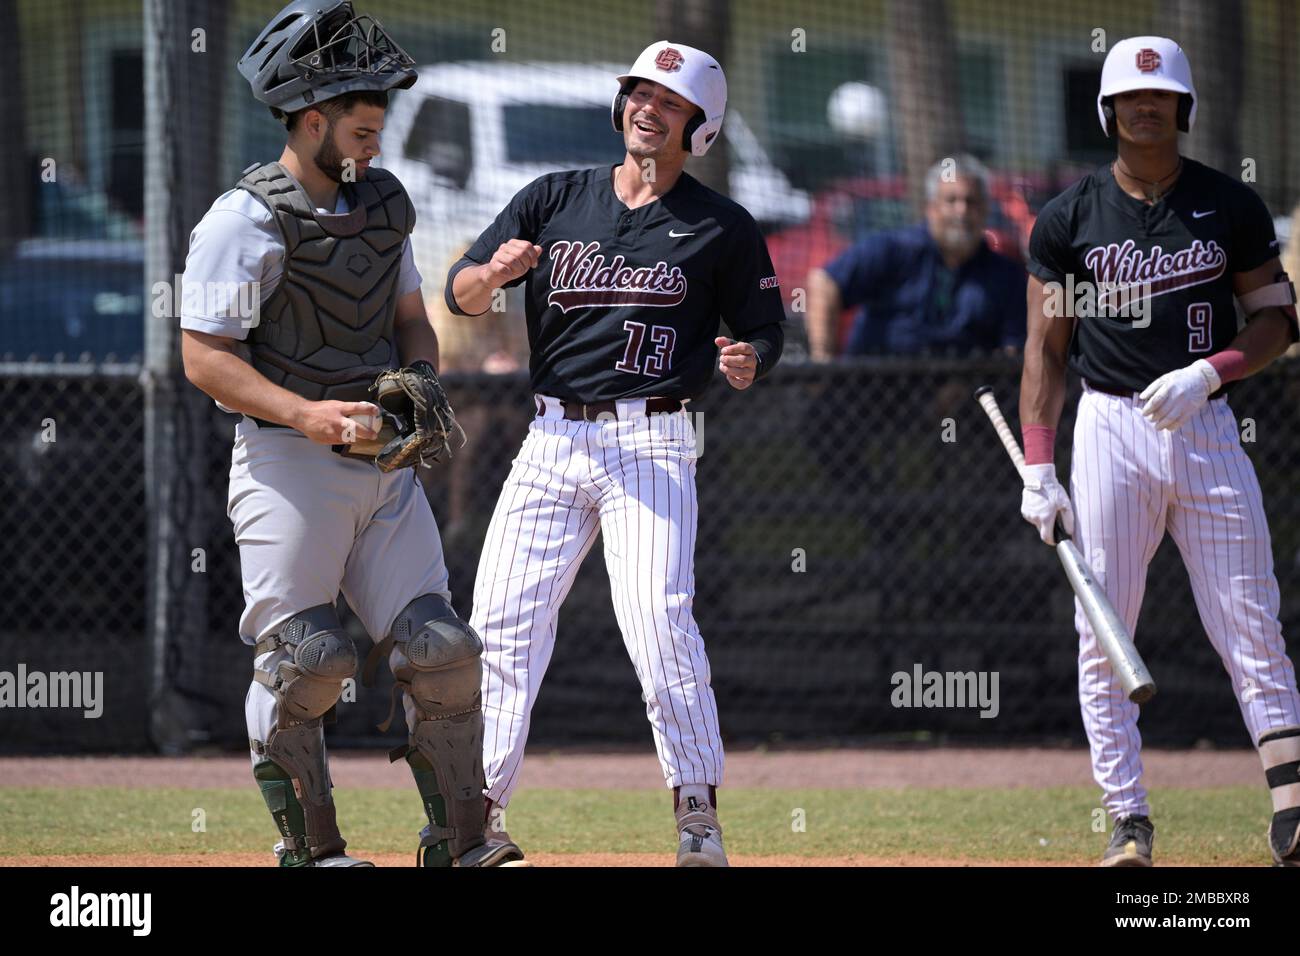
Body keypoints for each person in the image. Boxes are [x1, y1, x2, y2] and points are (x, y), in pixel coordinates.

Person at [179, 0, 524, 867]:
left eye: (378, 128)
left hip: (385, 466)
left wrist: (420, 383)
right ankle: (314, 850)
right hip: (288, 465)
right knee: (310, 664)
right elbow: (202, 356)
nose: (374, 145)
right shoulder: (243, 218)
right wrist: (304, 412)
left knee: (442, 650)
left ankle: (461, 841)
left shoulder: (383, 207)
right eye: (361, 129)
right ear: (309, 119)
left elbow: (411, 319)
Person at [444, 40, 785, 866]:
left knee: (660, 622)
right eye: (639, 93)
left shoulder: (721, 226)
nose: (647, 108)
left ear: (697, 125)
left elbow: (767, 328)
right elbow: (459, 287)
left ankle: (697, 814)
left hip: (655, 438)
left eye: (668, 102)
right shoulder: (555, 197)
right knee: (498, 625)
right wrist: (491, 274)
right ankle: (474, 818)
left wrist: (751, 358)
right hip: (553, 435)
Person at [1019, 35, 1300, 867]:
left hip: (1203, 422)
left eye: (1162, 97)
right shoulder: (1069, 217)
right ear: (1108, 112)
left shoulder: (1229, 204)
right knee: (1106, 629)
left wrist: (1212, 374)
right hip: (1108, 428)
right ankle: (1128, 820)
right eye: (1131, 98)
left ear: (1183, 109)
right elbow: (1045, 347)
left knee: (1250, 618)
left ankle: (1291, 805)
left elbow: (1278, 322)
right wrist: (1040, 464)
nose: (1147, 107)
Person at [806, 154, 1026, 360]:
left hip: (962, 395)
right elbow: (823, 282)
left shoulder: (1006, 276)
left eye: (971, 202)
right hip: (873, 388)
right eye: (951, 201)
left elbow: (1012, 348)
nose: (962, 211)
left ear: (986, 209)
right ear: (931, 208)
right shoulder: (892, 249)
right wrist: (824, 364)